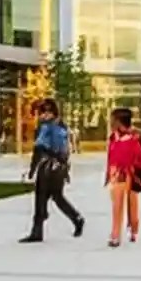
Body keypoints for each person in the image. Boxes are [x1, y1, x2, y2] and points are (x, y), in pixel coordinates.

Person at [20, 99, 85, 243]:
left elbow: (40, 148)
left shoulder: (47, 128)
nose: (44, 115)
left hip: (49, 167)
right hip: (57, 167)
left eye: (46, 112)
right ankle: (76, 219)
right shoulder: (61, 126)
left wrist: (32, 169)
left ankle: (38, 229)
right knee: (56, 197)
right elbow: (64, 150)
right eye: (42, 112)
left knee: (42, 197)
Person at [105, 108, 141, 247]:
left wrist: (138, 172)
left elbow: (140, 158)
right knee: (116, 205)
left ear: (119, 122)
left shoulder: (134, 139)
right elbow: (110, 157)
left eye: (113, 120)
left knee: (132, 204)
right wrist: (108, 173)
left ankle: (134, 228)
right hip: (116, 174)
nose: (111, 122)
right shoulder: (113, 138)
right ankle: (115, 234)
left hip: (131, 174)